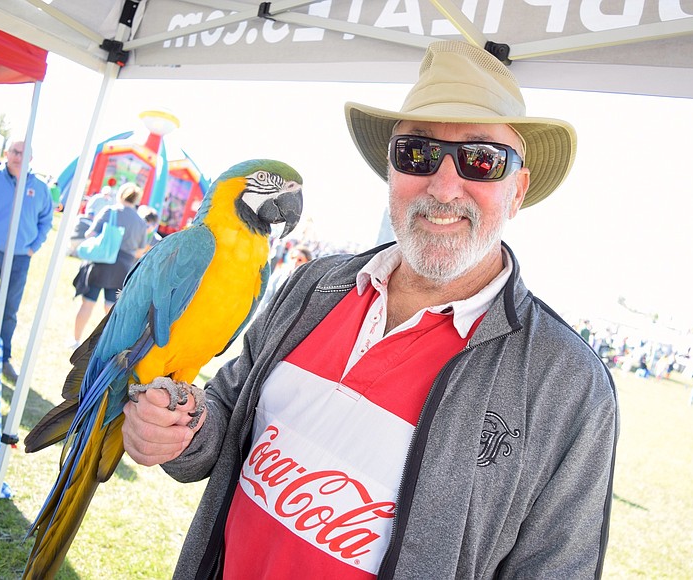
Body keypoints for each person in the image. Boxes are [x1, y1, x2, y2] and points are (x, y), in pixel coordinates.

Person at [122, 41, 618, 579]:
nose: (444, 187)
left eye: (481, 160)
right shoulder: (312, 287)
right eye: (417, 153)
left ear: (517, 190)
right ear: (391, 170)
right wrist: (179, 428)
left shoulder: (567, 384)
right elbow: (225, 413)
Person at [0, 140, 53, 382]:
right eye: (15, 152)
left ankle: (3, 357)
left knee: (10, 310)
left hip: (19, 258)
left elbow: (46, 221)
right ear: (7, 153)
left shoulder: (40, 188)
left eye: (25, 153)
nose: (19, 157)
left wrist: (33, 248)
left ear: (31, 159)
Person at [70, 183, 148, 348]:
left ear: (120, 194)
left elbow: (90, 234)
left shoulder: (109, 211)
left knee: (88, 303)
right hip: (122, 268)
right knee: (111, 309)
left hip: (100, 263)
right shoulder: (141, 223)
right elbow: (140, 251)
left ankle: (75, 341)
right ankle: (106, 346)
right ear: (136, 200)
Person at [253, 244, 313, 316]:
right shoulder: (279, 274)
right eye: (293, 258)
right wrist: (258, 316)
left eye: (300, 260)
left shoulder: (306, 284)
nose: (295, 262)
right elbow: (266, 298)